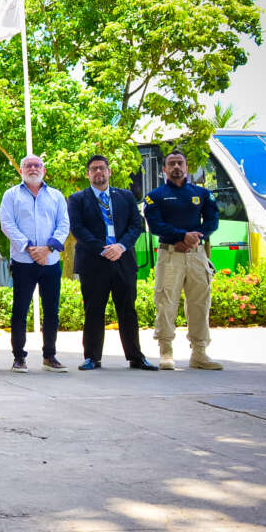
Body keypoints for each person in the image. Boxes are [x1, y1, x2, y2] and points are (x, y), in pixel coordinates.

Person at [68, 155, 157, 371]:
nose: (98, 172)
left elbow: (136, 225)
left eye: (102, 168)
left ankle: (136, 357)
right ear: (88, 174)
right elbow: (78, 228)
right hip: (94, 263)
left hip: (123, 261)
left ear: (109, 172)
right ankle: (92, 357)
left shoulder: (125, 196)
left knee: (128, 310)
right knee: (93, 311)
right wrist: (102, 248)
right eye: (93, 169)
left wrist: (121, 246)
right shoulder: (77, 199)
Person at [143, 149, 222, 370]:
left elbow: (212, 221)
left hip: (197, 256)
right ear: (164, 169)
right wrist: (181, 235)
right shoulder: (155, 196)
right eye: (172, 164)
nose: (176, 167)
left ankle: (199, 353)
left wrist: (195, 238)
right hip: (169, 255)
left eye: (180, 163)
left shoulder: (202, 194)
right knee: (166, 302)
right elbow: (156, 225)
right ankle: (166, 352)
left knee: (199, 304)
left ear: (187, 167)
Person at [0, 154, 70, 373]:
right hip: (23, 261)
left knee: (51, 310)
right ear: (21, 171)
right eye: (28, 165)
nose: (33, 168)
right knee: (20, 310)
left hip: (50, 261)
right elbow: (7, 224)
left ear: (43, 170)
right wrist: (30, 247)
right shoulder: (11, 195)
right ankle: (19, 358)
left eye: (37, 165)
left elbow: (64, 224)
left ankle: (50, 356)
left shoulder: (56, 196)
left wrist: (47, 248)